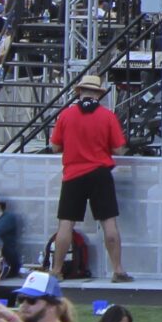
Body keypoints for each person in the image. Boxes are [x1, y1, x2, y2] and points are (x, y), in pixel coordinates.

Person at [46, 73, 131, 281]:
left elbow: (55, 146)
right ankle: (117, 270)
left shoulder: (66, 115)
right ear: (99, 94)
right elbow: (120, 149)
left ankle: (56, 271)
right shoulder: (107, 116)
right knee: (109, 223)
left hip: (73, 174)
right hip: (100, 173)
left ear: (79, 92)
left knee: (66, 224)